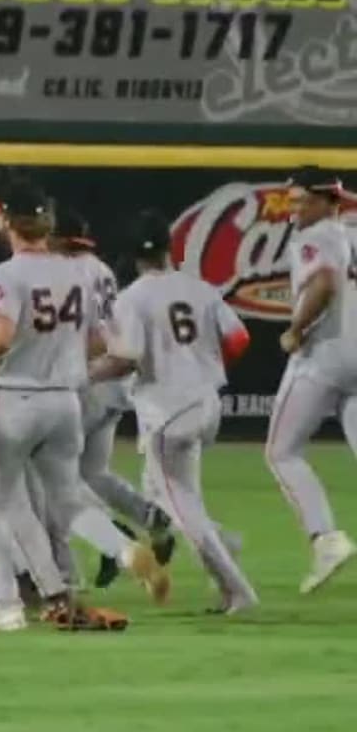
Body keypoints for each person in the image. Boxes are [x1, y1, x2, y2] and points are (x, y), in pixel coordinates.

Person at [0, 183, 162, 631]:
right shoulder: (77, 272)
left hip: (17, 398)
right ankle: (89, 571)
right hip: (65, 401)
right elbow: (101, 340)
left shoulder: (7, 274)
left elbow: (1, 337)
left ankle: (5, 608)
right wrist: (59, 357)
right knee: (64, 498)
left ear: (6, 222)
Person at [92, 214, 257, 614]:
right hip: (206, 404)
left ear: (133, 257)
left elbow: (126, 358)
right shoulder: (200, 289)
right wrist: (200, 367)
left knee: (181, 512)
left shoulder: (132, 298)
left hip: (168, 413)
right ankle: (222, 545)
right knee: (184, 501)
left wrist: (84, 376)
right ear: (170, 249)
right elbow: (239, 338)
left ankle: (238, 590)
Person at [52, 206, 175, 587]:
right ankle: (149, 516)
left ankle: (112, 542)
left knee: (54, 479)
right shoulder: (100, 268)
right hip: (113, 385)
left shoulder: (64, 271)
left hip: (87, 381)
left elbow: (82, 336)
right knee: (92, 472)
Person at [264, 167, 357, 594]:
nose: (294, 209)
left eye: (303, 200)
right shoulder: (348, 230)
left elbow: (325, 282)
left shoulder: (317, 235)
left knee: (281, 452)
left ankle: (325, 538)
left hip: (324, 355)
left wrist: (297, 328)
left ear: (325, 202)